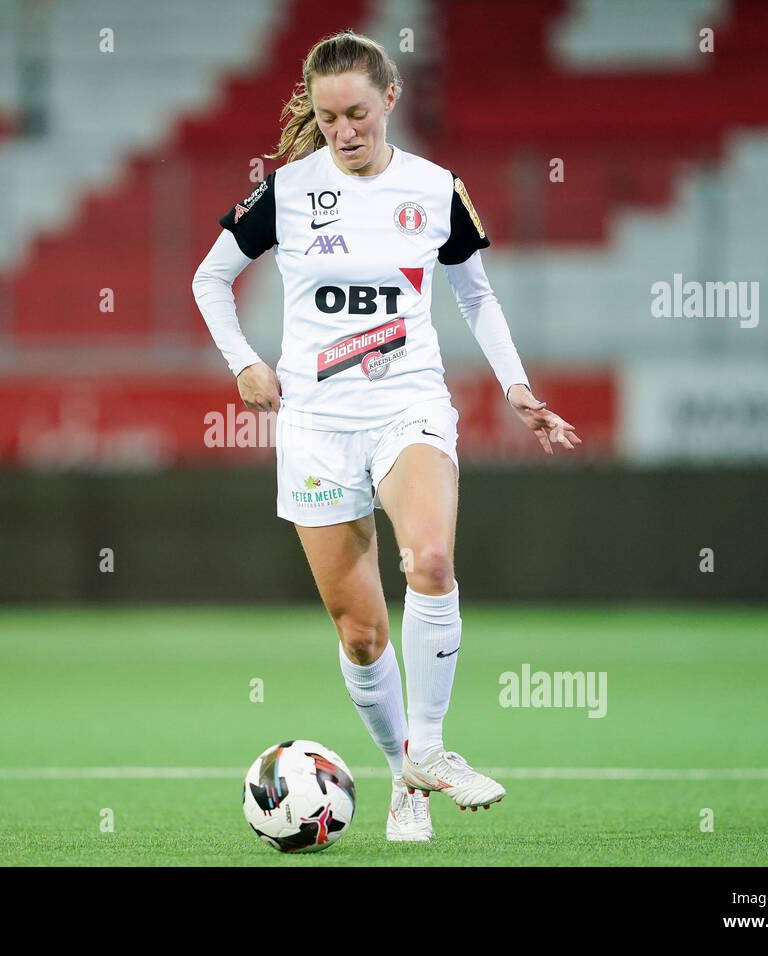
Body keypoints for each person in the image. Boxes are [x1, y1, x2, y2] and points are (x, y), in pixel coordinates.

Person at [191, 30, 580, 842]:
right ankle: (404, 773)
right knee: (362, 632)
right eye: (329, 117)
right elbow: (211, 277)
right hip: (315, 428)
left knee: (430, 559)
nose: (345, 131)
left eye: (358, 114)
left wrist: (518, 389)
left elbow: (476, 297)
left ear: (390, 101)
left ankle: (431, 751)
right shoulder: (286, 191)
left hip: (409, 408)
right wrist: (243, 363)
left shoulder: (435, 190)